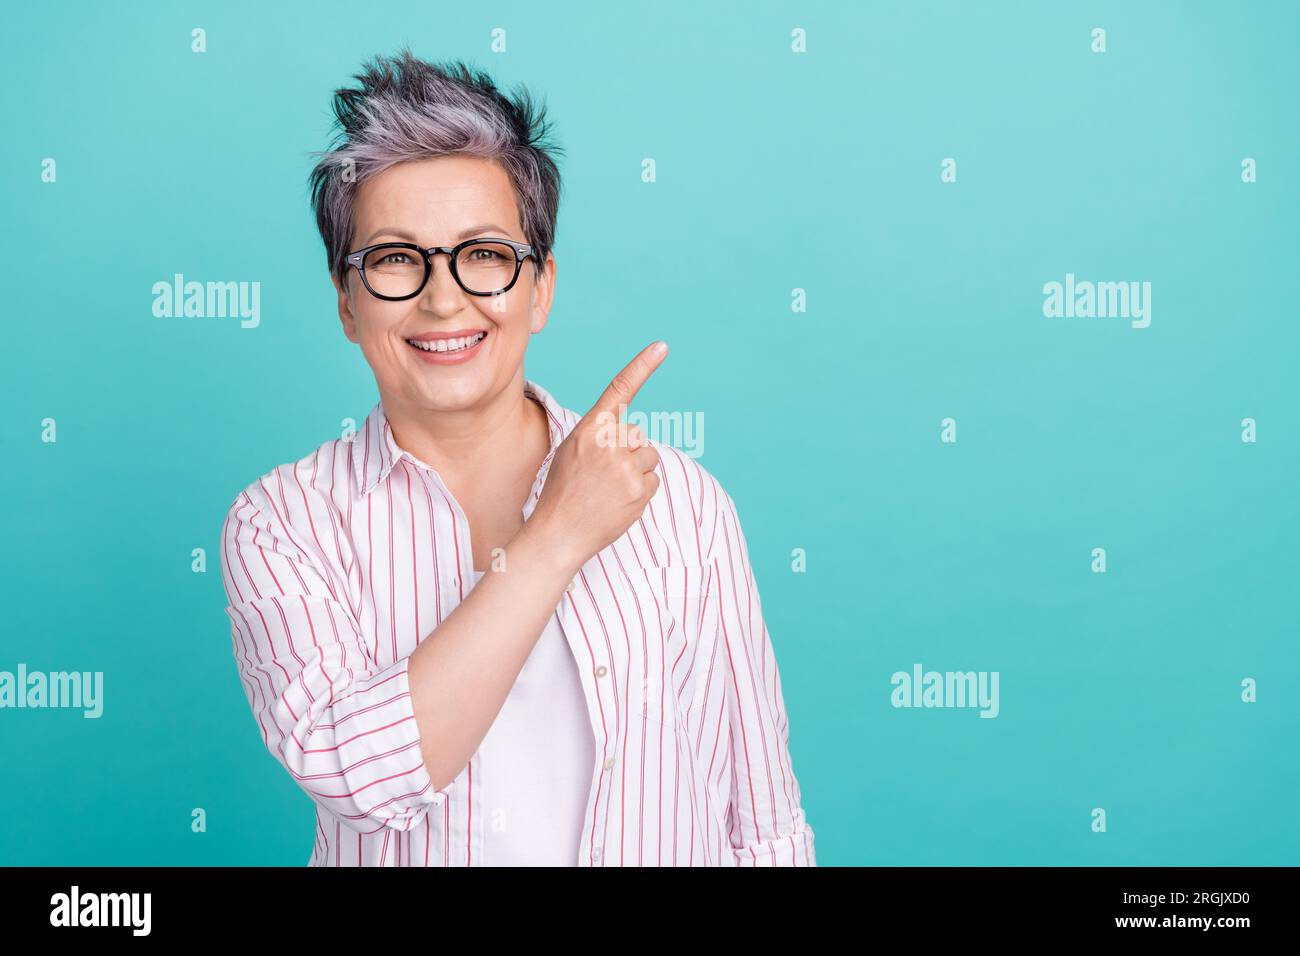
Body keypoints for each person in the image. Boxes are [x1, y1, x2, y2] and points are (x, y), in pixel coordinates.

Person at [219, 48, 815, 866]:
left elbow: (762, 822)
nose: (442, 297)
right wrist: (559, 534)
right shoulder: (282, 523)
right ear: (346, 304)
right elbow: (358, 775)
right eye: (396, 259)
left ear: (540, 289)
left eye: (485, 255)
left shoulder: (681, 502)